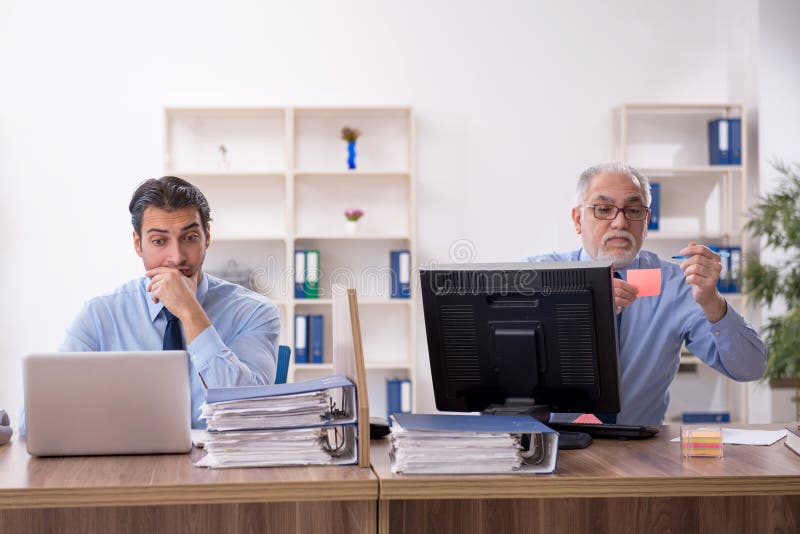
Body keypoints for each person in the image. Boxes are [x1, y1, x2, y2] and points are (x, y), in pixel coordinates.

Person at [21, 176, 280, 432]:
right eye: (159, 241)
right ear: (138, 244)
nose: (176, 257)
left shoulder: (255, 312)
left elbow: (252, 411)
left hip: (221, 466)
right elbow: (34, 421)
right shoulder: (100, 315)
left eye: (189, 237)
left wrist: (191, 313)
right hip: (126, 465)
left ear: (207, 237)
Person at [527, 162, 766, 425]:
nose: (620, 222)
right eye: (604, 209)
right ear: (577, 220)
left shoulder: (678, 285)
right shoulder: (534, 275)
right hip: (550, 446)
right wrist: (576, 311)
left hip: (639, 453)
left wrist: (713, 301)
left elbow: (750, 368)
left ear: (647, 220)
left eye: (633, 210)